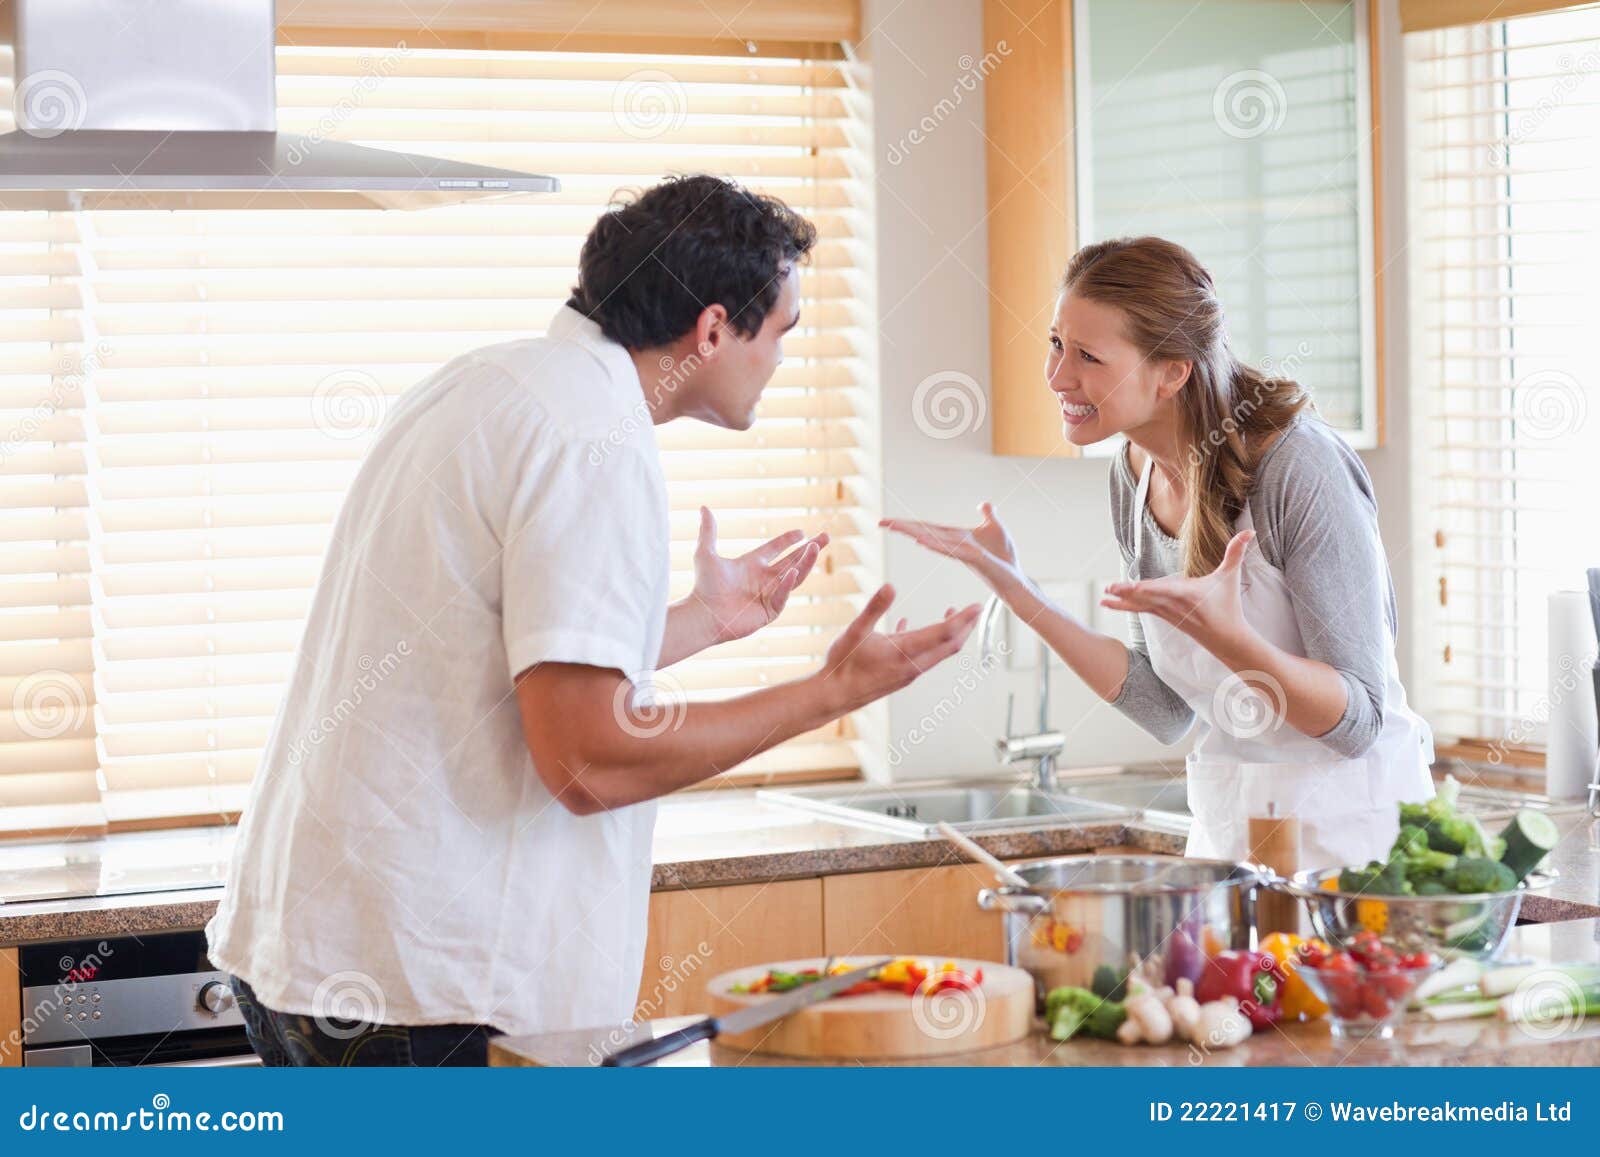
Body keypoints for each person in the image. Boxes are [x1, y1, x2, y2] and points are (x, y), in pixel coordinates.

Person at [207, 175, 979, 1066]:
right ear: (713, 329)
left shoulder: (488, 384)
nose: (782, 359)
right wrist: (829, 693)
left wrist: (700, 620)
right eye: (782, 332)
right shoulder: (594, 438)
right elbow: (588, 759)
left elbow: (496, 655)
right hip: (428, 991)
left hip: (312, 961)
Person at [882, 236, 1432, 871]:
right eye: (1056, 343)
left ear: (1172, 372)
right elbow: (1166, 710)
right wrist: (1019, 591)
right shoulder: (1133, 472)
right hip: (1233, 839)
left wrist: (1233, 641)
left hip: (1355, 849)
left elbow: (1357, 721)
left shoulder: (1298, 466)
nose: (1058, 376)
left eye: (1089, 356)